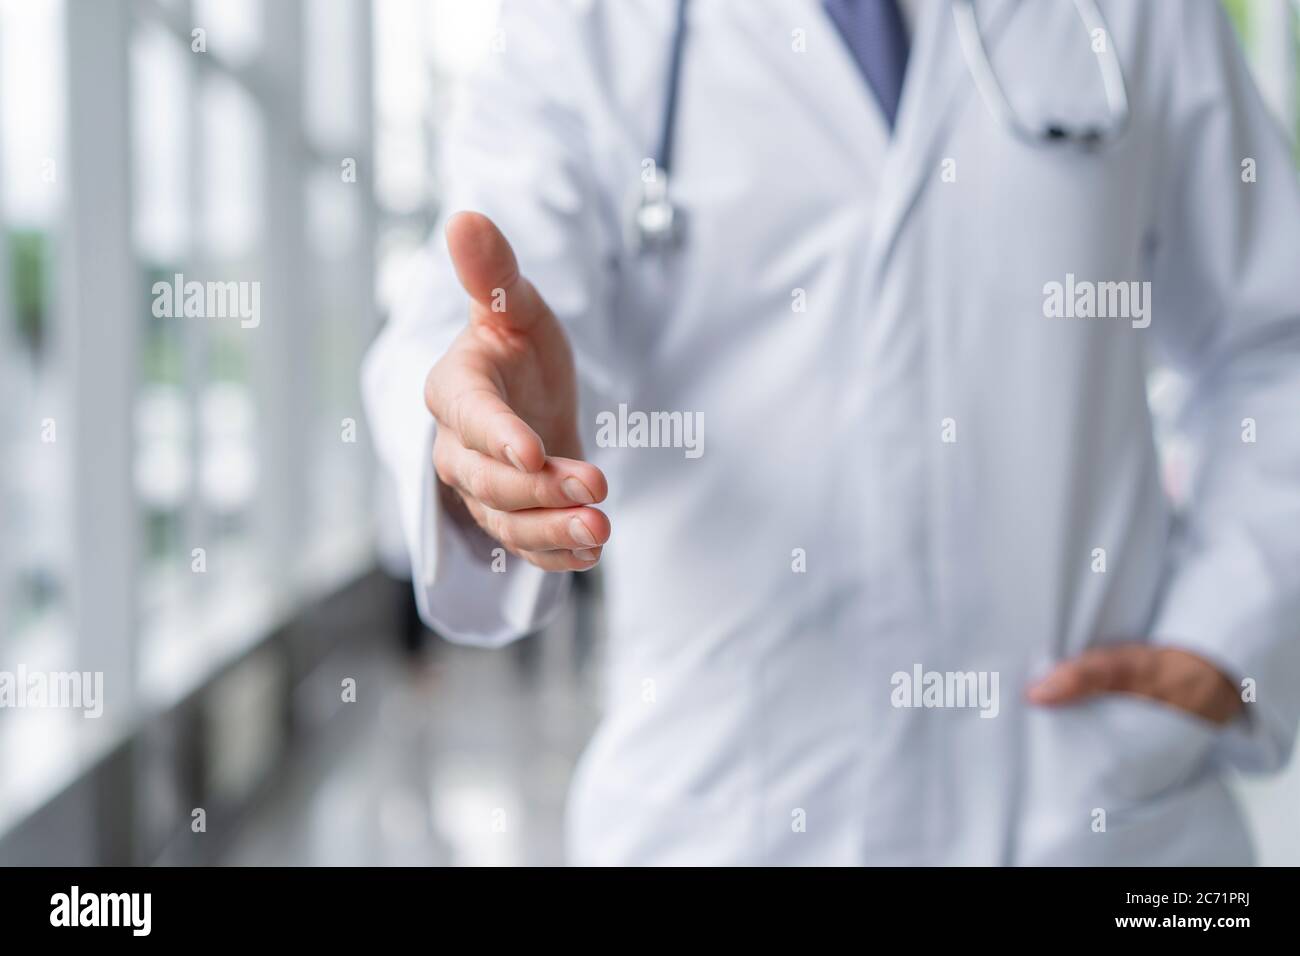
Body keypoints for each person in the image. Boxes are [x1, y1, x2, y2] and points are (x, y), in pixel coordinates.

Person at [362, 0, 1300, 865]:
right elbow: (472, 304)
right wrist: (495, 420)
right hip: (728, 811)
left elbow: (1274, 343)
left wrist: (1226, 634)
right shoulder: (587, 27)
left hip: (1100, 814)